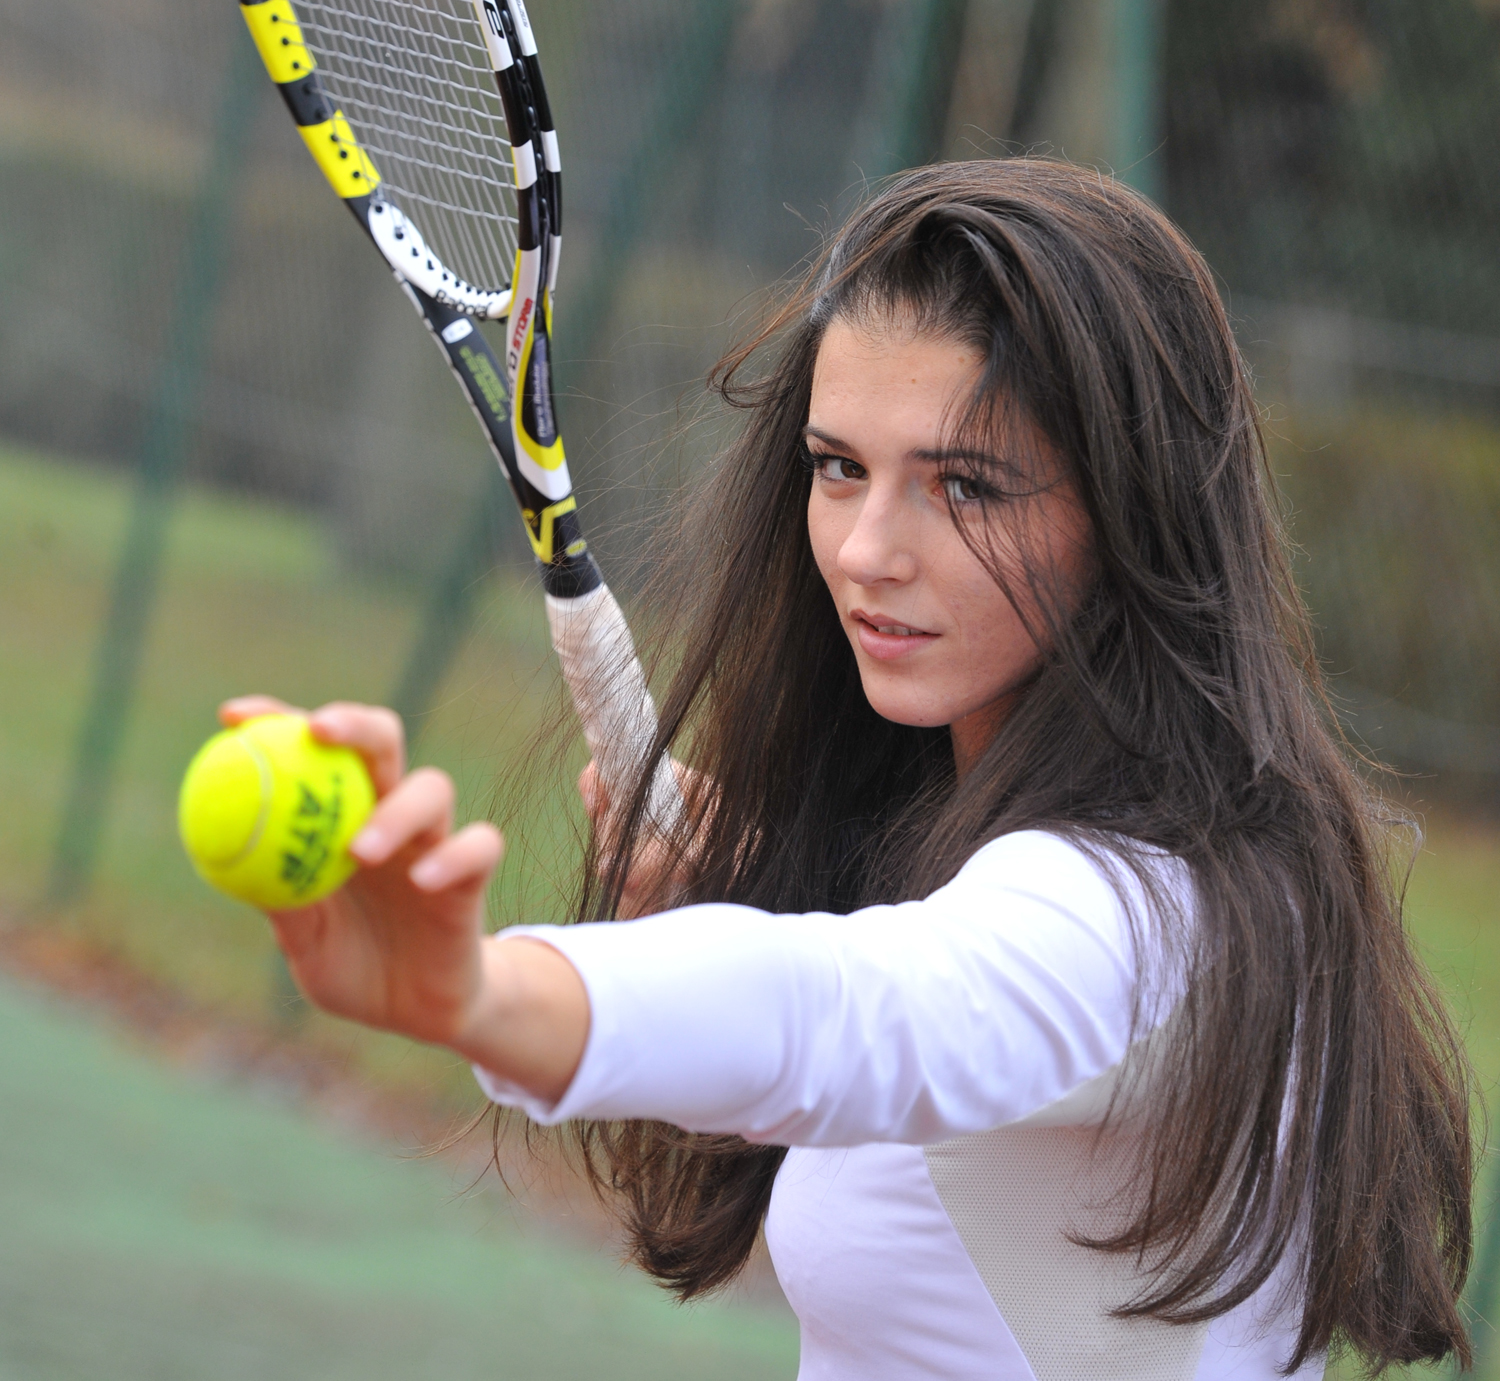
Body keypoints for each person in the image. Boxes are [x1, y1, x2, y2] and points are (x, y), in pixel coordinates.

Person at [223, 160, 1474, 1379]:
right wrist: (748, 898)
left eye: (966, 485)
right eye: (839, 468)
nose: (868, 549)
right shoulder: (1005, 845)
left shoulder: (1145, 908)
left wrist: (477, 994)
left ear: (1130, 512)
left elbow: (842, 1015)